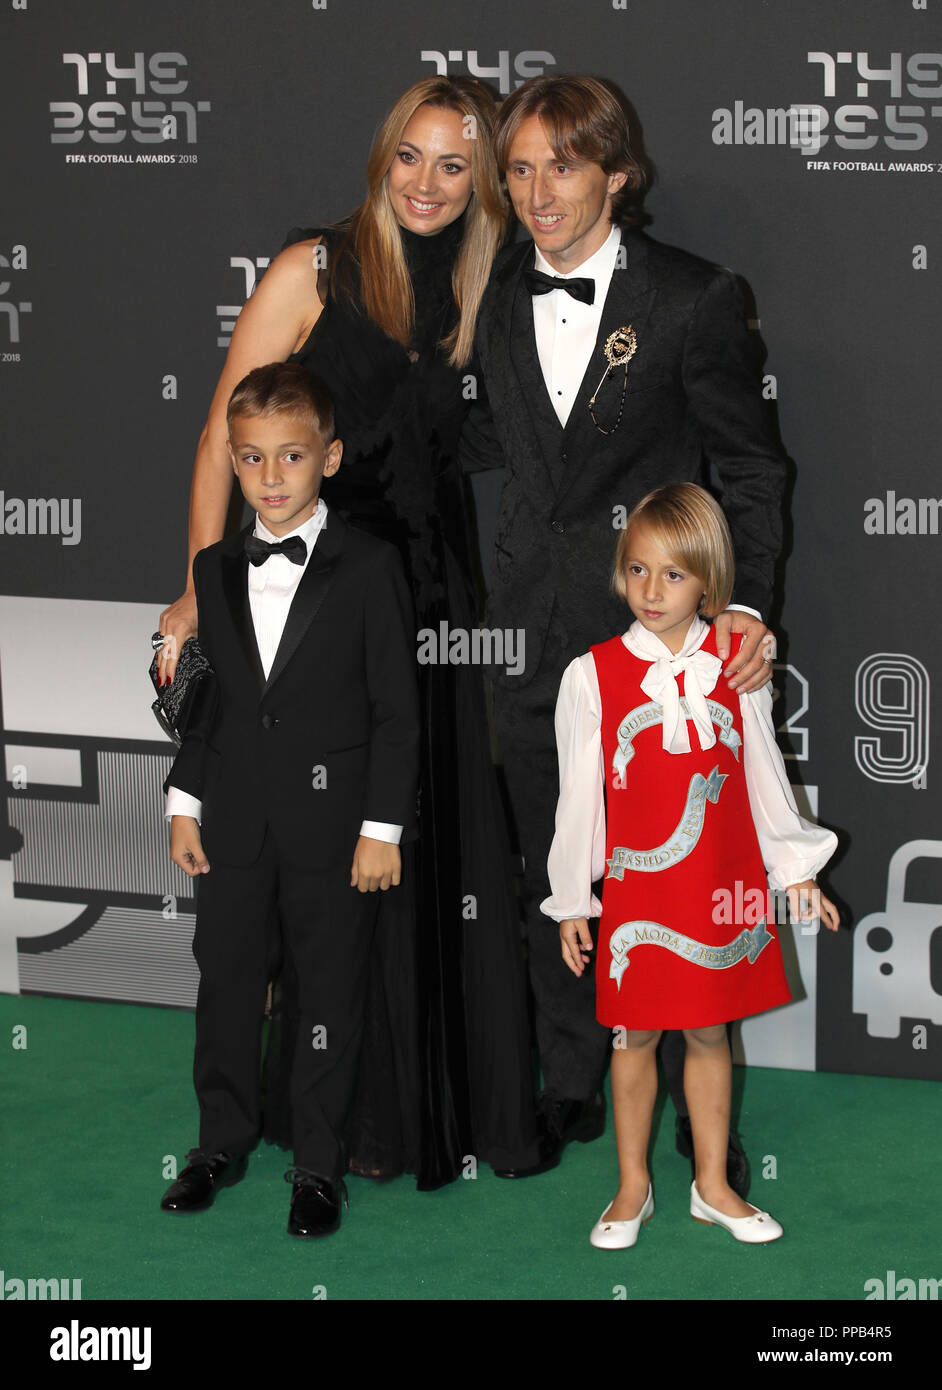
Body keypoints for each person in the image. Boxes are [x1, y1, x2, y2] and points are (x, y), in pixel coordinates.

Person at [158, 78, 539, 1188]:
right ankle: (318, 1118)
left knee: (425, 847)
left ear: (483, 186)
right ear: (382, 159)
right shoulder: (312, 269)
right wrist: (198, 591)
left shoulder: (486, 284)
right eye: (410, 157)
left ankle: (428, 1113)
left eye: (454, 166)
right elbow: (217, 436)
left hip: (434, 598)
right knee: (319, 874)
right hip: (315, 595)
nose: (427, 183)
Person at [460, 74, 789, 1180]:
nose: (539, 191)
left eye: (563, 164)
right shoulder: (491, 292)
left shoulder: (695, 297)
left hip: (662, 648)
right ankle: (570, 1081)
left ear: (618, 172)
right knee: (556, 868)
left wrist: (743, 609)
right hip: (526, 641)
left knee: (680, 879)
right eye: (519, 168)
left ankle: (708, 1133)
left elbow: (751, 466)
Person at [159, 363, 420, 1237]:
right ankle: (217, 1145)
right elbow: (216, 705)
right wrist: (183, 799)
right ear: (231, 464)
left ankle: (318, 1166)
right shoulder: (215, 565)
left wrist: (381, 828)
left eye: (293, 457)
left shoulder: (372, 567)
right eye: (252, 459)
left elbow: (396, 713)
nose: (271, 479)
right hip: (232, 823)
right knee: (226, 987)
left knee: (328, 1001)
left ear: (331, 458)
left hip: (337, 831)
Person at [542, 483, 839, 1247]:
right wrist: (574, 898)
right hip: (641, 894)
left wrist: (795, 871)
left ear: (709, 578)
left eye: (673, 575)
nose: (651, 591)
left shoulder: (737, 662)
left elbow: (765, 774)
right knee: (633, 1036)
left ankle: (712, 1185)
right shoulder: (592, 676)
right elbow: (579, 802)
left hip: (721, 886)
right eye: (637, 570)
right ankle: (632, 1186)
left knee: (710, 1032)